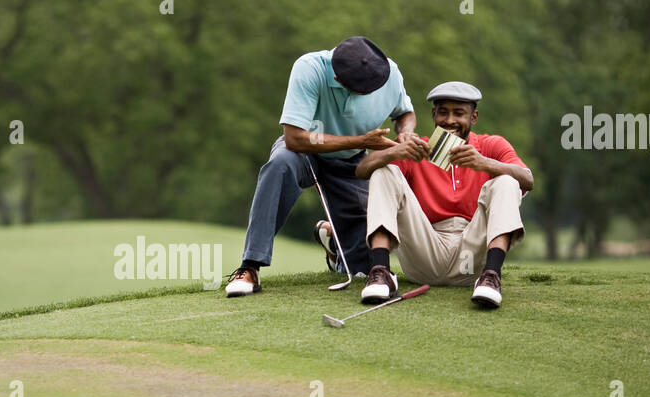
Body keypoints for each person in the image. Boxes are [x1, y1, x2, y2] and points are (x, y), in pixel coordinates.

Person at [224, 36, 417, 296]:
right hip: (304, 152)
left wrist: (405, 131)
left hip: (353, 162)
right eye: (364, 90)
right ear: (339, 80)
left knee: (362, 269)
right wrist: (360, 140)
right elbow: (295, 138)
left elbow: (405, 112)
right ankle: (250, 267)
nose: (372, 91)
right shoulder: (310, 68)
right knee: (278, 166)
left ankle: (334, 243)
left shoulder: (387, 72)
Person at [354, 81, 534, 309]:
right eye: (443, 113)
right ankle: (380, 272)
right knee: (384, 171)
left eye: (459, 113)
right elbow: (362, 170)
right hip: (426, 252)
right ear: (433, 115)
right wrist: (394, 152)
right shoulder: (418, 149)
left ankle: (491, 277)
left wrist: (484, 163)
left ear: (474, 117)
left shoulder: (491, 145)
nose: (449, 120)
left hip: (472, 258)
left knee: (508, 180)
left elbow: (527, 179)